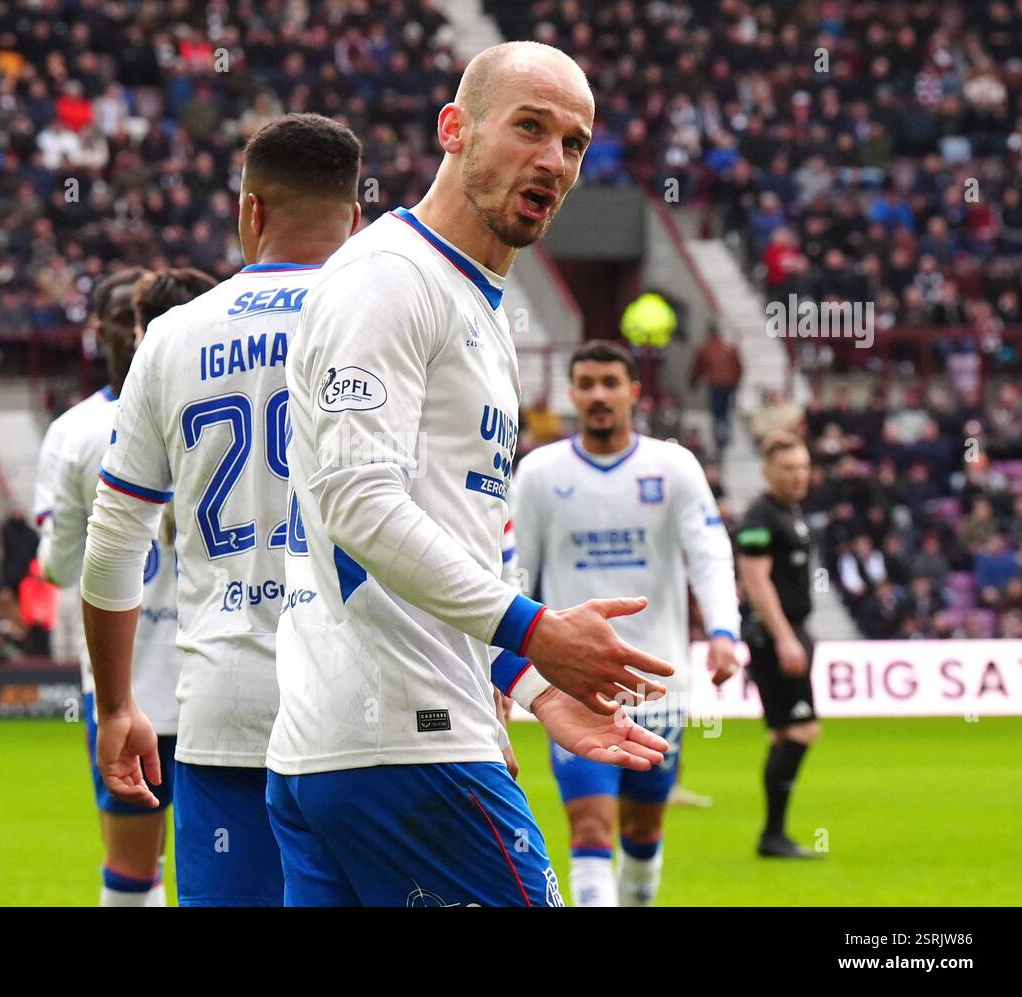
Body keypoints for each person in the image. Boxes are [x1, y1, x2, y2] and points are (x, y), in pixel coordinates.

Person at [267, 42, 671, 906]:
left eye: (574, 143)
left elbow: (441, 531)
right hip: (408, 744)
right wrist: (535, 632)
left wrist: (531, 687)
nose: (553, 162)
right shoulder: (389, 280)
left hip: (348, 744)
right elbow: (358, 503)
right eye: (529, 127)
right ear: (454, 128)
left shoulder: (477, 304)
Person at [80, 113, 361, 906]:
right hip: (372, 710)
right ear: (357, 217)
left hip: (227, 704)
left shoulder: (172, 337)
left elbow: (112, 547)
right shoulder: (392, 322)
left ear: (250, 210)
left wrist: (116, 705)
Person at [510, 339, 741, 907]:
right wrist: (505, 661)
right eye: (586, 385)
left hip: (658, 684)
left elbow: (708, 553)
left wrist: (723, 632)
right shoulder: (539, 472)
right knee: (590, 830)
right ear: (572, 395)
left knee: (642, 833)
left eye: (610, 383)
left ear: (633, 392)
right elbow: (515, 571)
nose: (598, 396)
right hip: (576, 682)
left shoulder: (673, 466)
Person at [42, 264, 213, 907]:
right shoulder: (241, 407)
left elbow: (60, 565)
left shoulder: (81, 437)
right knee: (229, 867)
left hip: (131, 684)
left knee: (135, 870)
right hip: (220, 674)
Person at [735, 431, 821, 859]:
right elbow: (755, 580)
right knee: (802, 730)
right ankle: (773, 834)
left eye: (804, 467)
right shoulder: (759, 517)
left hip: (790, 630)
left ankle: (774, 834)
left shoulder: (791, 512)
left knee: (782, 734)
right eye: (789, 469)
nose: (798, 476)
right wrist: (786, 638)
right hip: (775, 636)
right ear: (767, 472)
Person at [688, 325, 743, 451]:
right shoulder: (728, 348)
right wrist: (736, 383)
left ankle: (720, 433)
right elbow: (739, 367)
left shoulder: (707, 349)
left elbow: (697, 368)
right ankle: (724, 432)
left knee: (717, 410)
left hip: (716, 384)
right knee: (725, 409)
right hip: (729, 384)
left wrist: (693, 383)